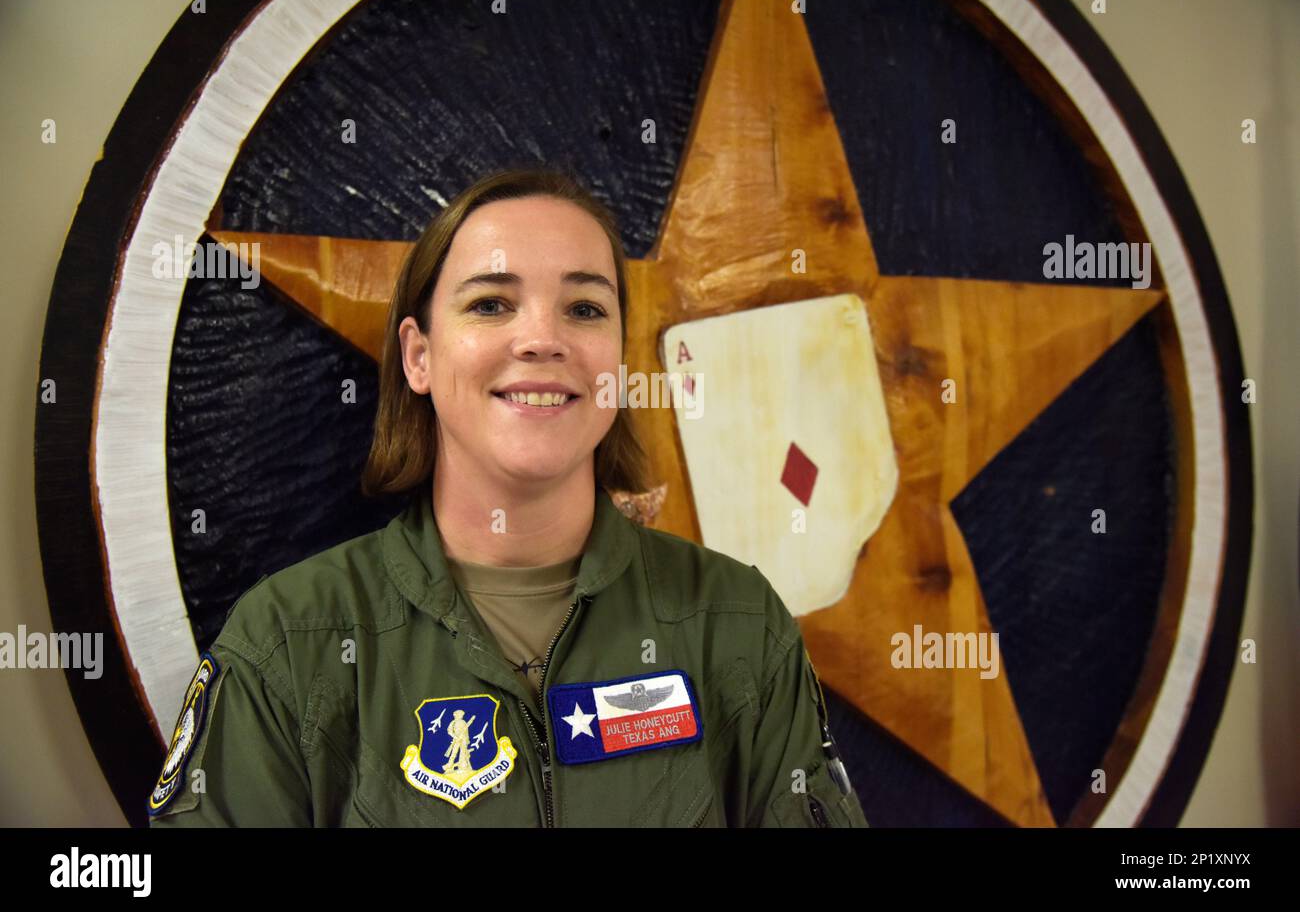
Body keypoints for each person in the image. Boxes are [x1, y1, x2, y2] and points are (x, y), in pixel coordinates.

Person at [147, 166, 868, 827]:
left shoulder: (738, 625)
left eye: (585, 308)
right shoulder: (287, 644)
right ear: (419, 356)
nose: (542, 338)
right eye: (492, 303)